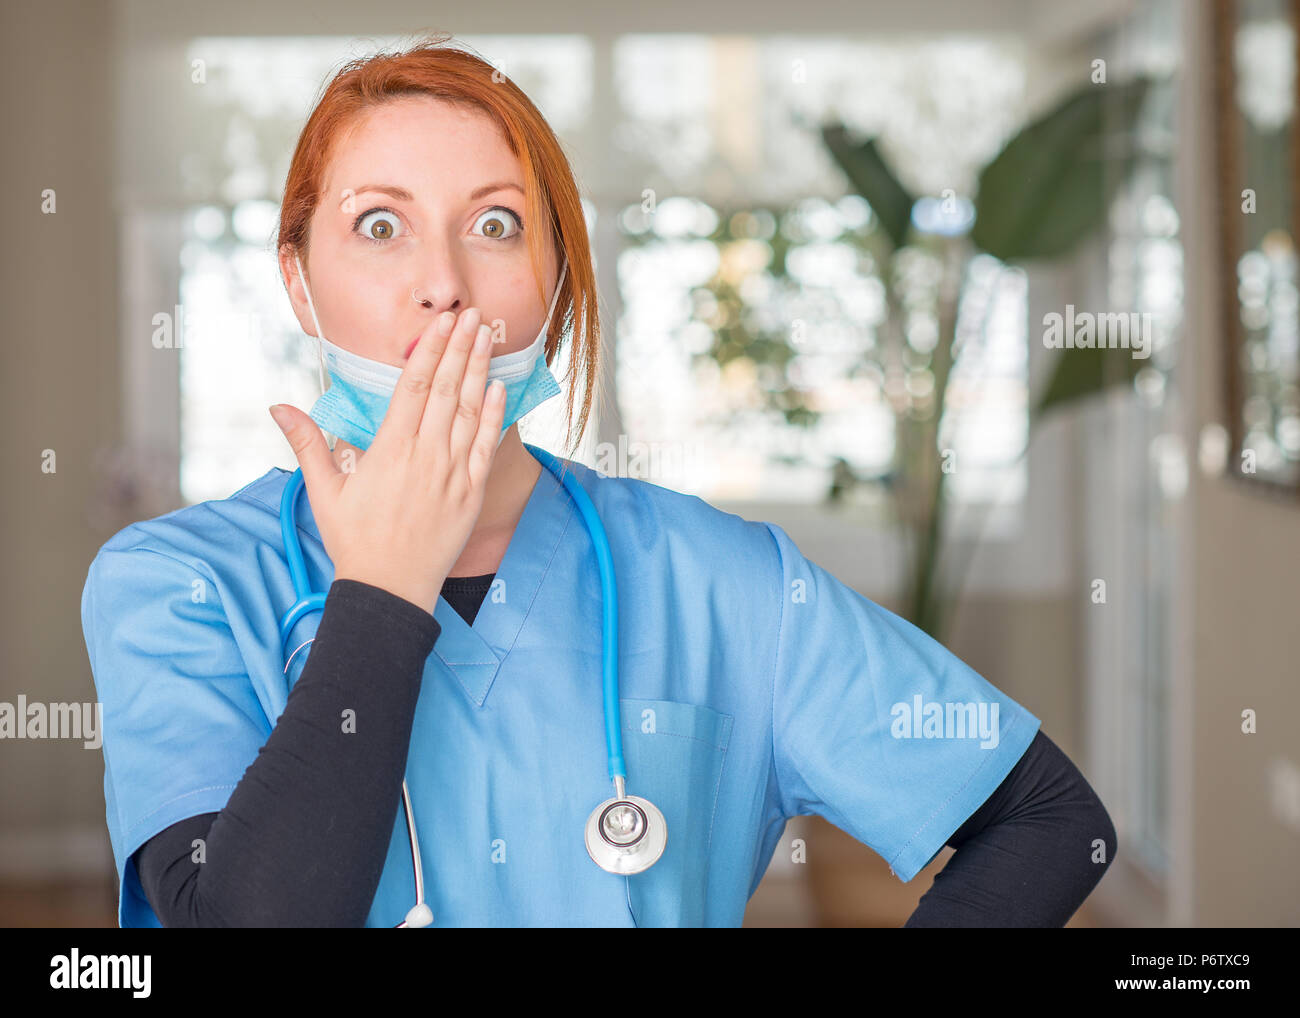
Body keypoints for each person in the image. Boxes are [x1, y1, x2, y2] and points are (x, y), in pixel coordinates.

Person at [80, 35, 1116, 928]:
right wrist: (384, 591)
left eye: (495, 225)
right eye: (379, 225)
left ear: (559, 281)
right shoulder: (176, 585)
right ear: (298, 281)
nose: (442, 283)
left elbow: (1052, 823)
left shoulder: (724, 581)